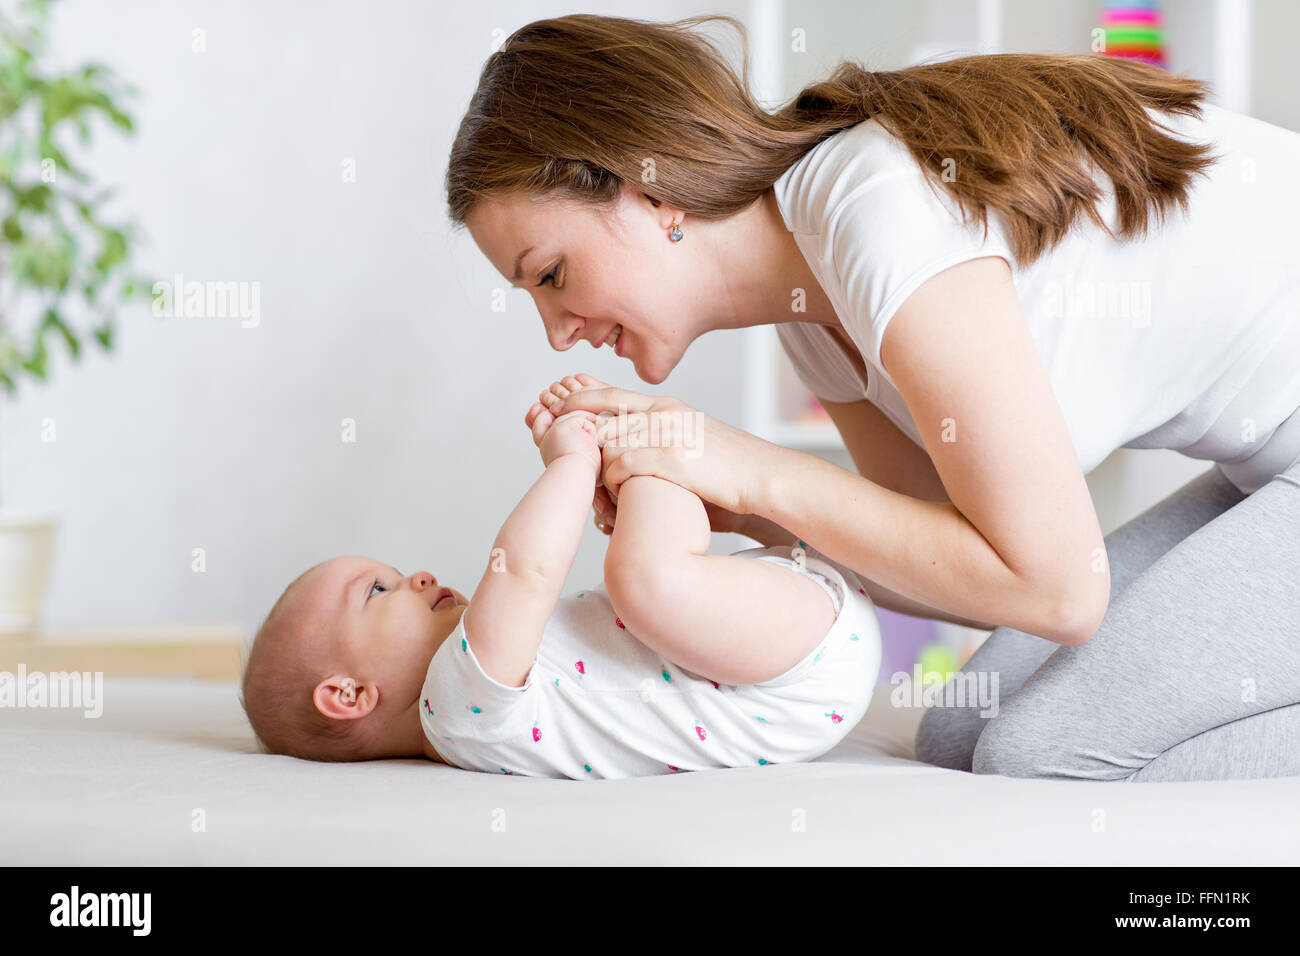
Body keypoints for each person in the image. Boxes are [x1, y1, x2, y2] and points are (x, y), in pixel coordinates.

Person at [446, 14, 1300, 781]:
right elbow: (953, 568)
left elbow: (1060, 595)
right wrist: (741, 510)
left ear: (649, 187)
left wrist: (749, 467)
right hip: (1267, 467)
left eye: (550, 275)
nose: (557, 331)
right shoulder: (809, 314)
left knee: (1044, 749)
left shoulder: (876, 209)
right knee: (963, 730)